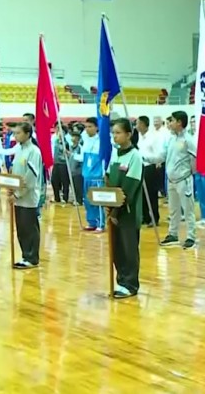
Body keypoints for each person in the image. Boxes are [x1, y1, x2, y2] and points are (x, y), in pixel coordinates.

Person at [105, 118, 143, 298]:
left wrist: (115, 211)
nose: (115, 136)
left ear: (129, 134)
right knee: (117, 248)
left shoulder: (135, 156)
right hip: (113, 210)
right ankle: (121, 280)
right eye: (113, 133)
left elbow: (129, 187)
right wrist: (107, 203)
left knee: (129, 248)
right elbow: (108, 178)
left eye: (118, 133)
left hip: (127, 211)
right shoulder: (115, 153)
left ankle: (131, 283)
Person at [161, 111, 197, 249]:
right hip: (171, 180)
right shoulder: (171, 139)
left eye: (172, 120)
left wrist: (189, 174)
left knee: (188, 209)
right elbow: (163, 156)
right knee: (173, 210)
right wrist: (145, 157)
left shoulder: (188, 139)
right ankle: (173, 234)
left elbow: (194, 159)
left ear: (180, 123)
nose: (170, 123)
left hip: (184, 180)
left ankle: (191, 236)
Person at [10, 122, 43, 269]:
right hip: (17, 196)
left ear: (27, 134)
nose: (15, 135)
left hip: (28, 197)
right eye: (14, 133)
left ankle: (32, 257)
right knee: (21, 228)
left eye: (18, 133)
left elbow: (31, 177)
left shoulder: (34, 151)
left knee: (29, 228)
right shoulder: (19, 150)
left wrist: (18, 194)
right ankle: (25, 255)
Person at [78, 117, 105, 231]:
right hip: (86, 175)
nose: (87, 129)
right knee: (87, 200)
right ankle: (92, 222)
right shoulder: (85, 141)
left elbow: (105, 160)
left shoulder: (102, 142)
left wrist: (104, 174)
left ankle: (100, 223)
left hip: (97, 177)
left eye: (90, 127)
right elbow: (82, 158)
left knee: (97, 200)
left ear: (97, 127)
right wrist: (70, 154)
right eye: (86, 127)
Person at [136, 116, 163, 226]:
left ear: (143, 124)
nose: (136, 126)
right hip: (141, 166)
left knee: (151, 194)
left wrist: (149, 158)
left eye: (137, 124)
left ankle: (154, 218)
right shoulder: (139, 136)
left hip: (150, 167)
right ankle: (145, 216)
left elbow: (158, 153)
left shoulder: (153, 137)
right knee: (141, 193)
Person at [51, 124, 71, 204]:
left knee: (65, 181)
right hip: (56, 163)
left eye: (61, 131)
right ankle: (57, 198)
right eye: (58, 131)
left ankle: (65, 198)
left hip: (64, 164)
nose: (59, 133)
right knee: (54, 180)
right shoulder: (55, 140)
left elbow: (69, 153)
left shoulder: (67, 142)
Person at [69, 132, 83, 204]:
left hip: (78, 171)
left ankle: (79, 200)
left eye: (75, 137)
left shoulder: (80, 148)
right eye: (72, 136)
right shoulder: (70, 147)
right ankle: (75, 199)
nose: (73, 138)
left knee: (78, 186)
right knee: (73, 186)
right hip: (71, 170)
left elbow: (81, 159)